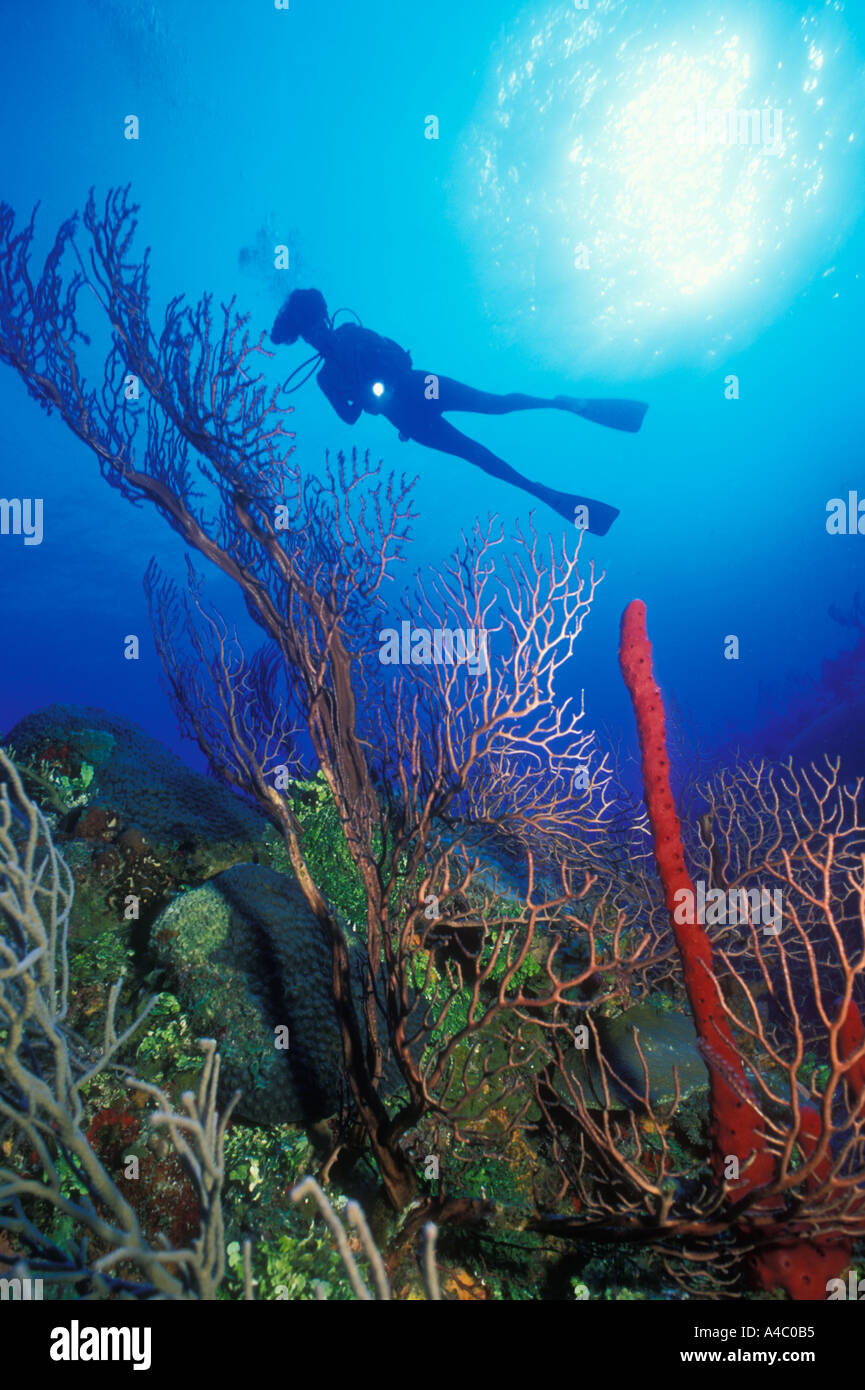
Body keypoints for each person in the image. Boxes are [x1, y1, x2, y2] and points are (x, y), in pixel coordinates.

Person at [271, 288, 647, 536]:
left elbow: (400, 355)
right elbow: (349, 418)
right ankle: (541, 492)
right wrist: (361, 397)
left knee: (493, 404)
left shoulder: (352, 332)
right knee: (476, 455)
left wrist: (378, 371)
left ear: (324, 318)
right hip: (406, 419)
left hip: (421, 386)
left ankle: (560, 402)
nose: (316, 334)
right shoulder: (325, 378)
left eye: (316, 325)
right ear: (303, 339)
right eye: (308, 333)